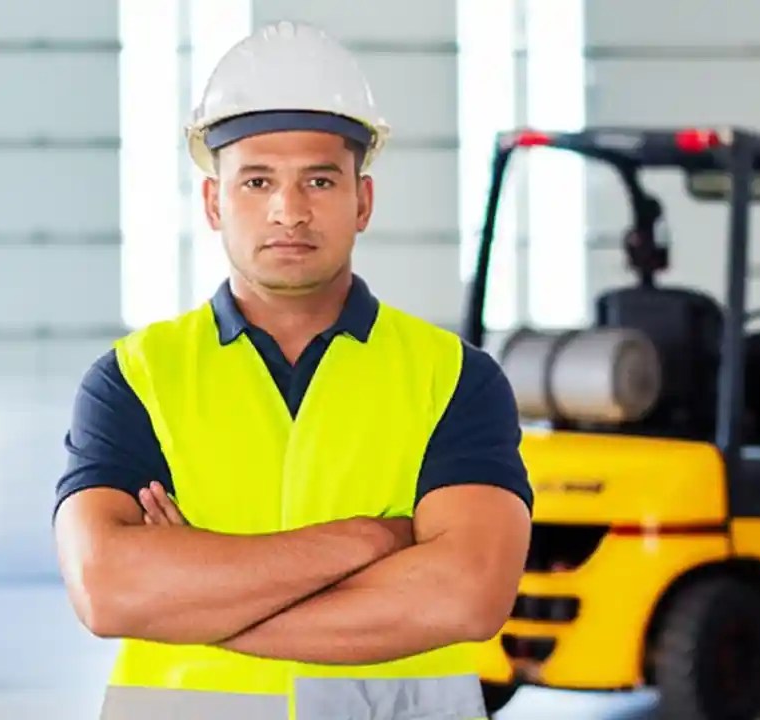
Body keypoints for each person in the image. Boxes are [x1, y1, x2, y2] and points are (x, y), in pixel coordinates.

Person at [53, 20, 532, 720]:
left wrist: (194, 598)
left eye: (319, 179)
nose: (289, 209)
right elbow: (107, 592)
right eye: (256, 180)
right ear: (215, 203)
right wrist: (370, 539)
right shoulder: (134, 379)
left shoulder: (455, 378)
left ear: (362, 201)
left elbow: (466, 595)